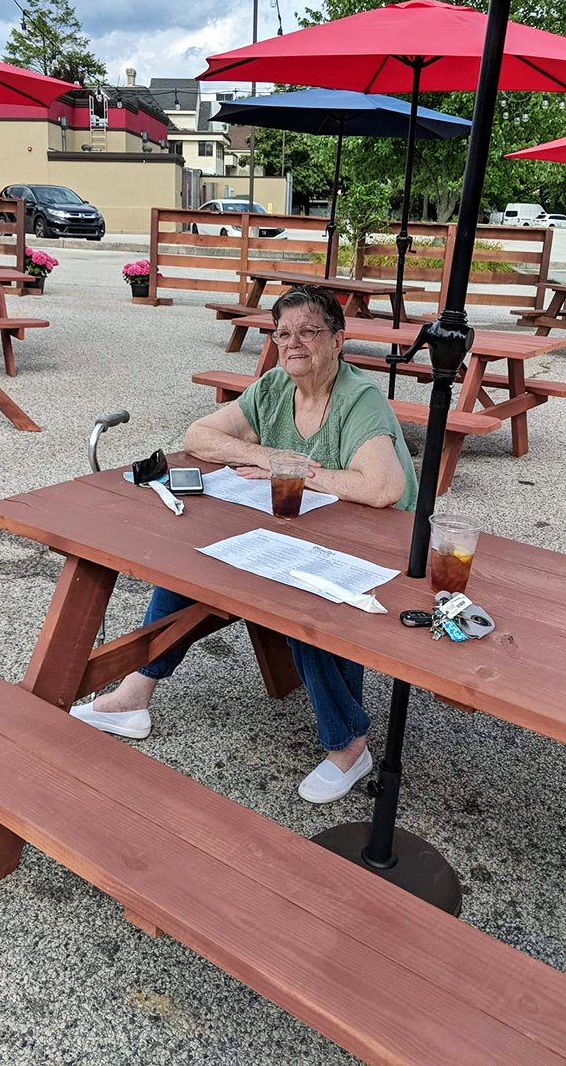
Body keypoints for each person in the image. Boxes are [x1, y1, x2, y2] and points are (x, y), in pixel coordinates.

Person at [72, 285, 418, 803]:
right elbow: (198, 436)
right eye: (283, 333)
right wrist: (272, 456)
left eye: (308, 331)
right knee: (196, 560)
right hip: (301, 526)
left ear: (337, 340)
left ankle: (349, 744)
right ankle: (134, 695)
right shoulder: (276, 384)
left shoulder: (358, 397)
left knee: (302, 600)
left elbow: (383, 488)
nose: (293, 343)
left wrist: (293, 469)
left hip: (376, 543)